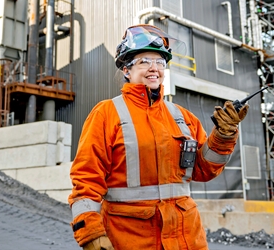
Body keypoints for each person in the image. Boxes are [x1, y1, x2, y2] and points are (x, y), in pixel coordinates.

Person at [68, 24, 249, 250]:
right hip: (131, 239)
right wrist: (91, 233)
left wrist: (223, 135)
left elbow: (204, 170)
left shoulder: (182, 117)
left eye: (160, 62)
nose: (154, 68)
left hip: (187, 239)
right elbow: (86, 179)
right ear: (127, 70)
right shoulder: (106, 114)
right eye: (144, 61)